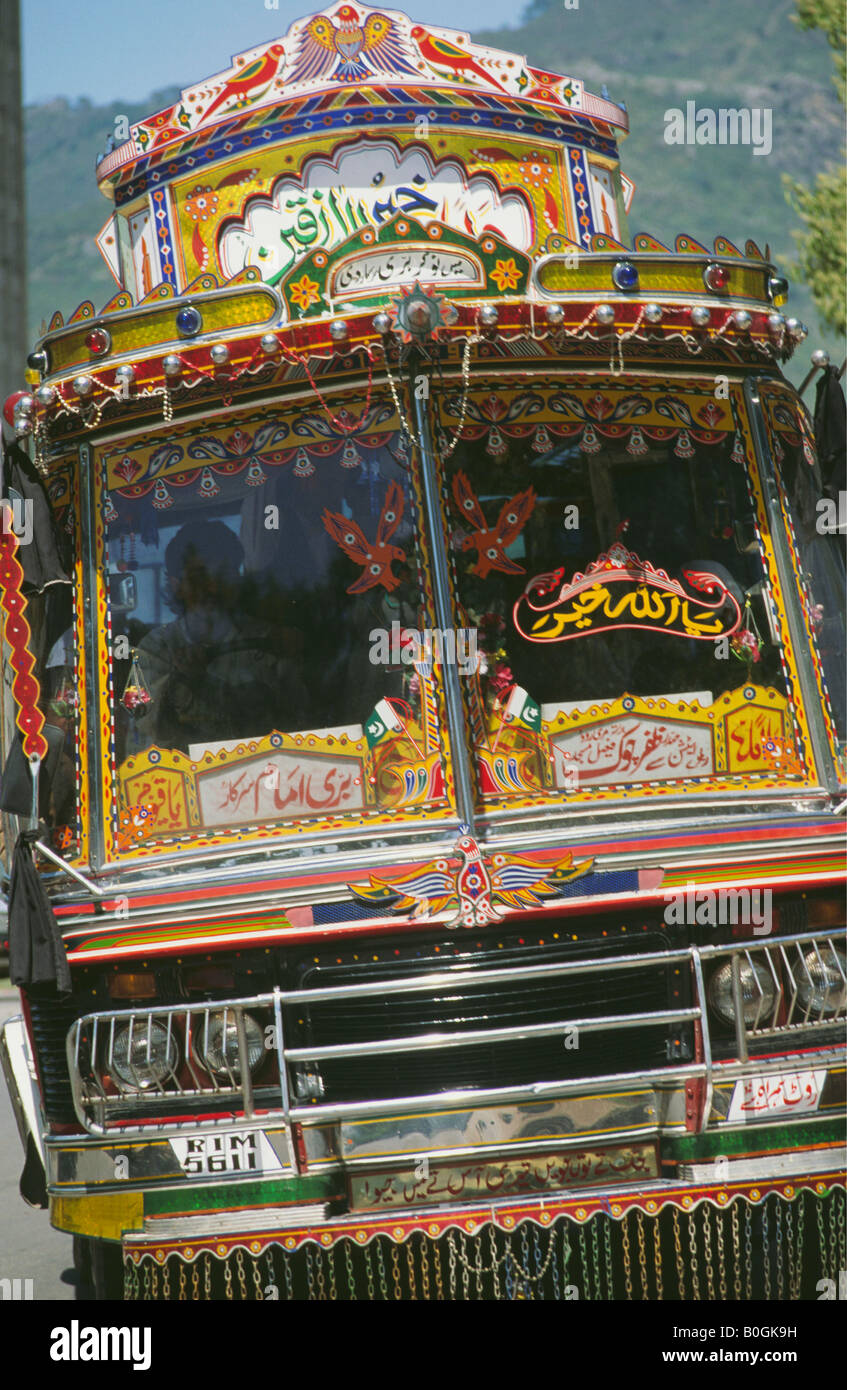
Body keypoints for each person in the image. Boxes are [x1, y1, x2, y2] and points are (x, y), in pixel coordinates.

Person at [133, 519, 307, 755]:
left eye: (223, 574)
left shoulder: (270, 642)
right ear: (176, 585)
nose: (212, 588)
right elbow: (145, 726)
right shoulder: (154, 649)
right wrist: (182, 681)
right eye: (199, 577)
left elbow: (297, 721)